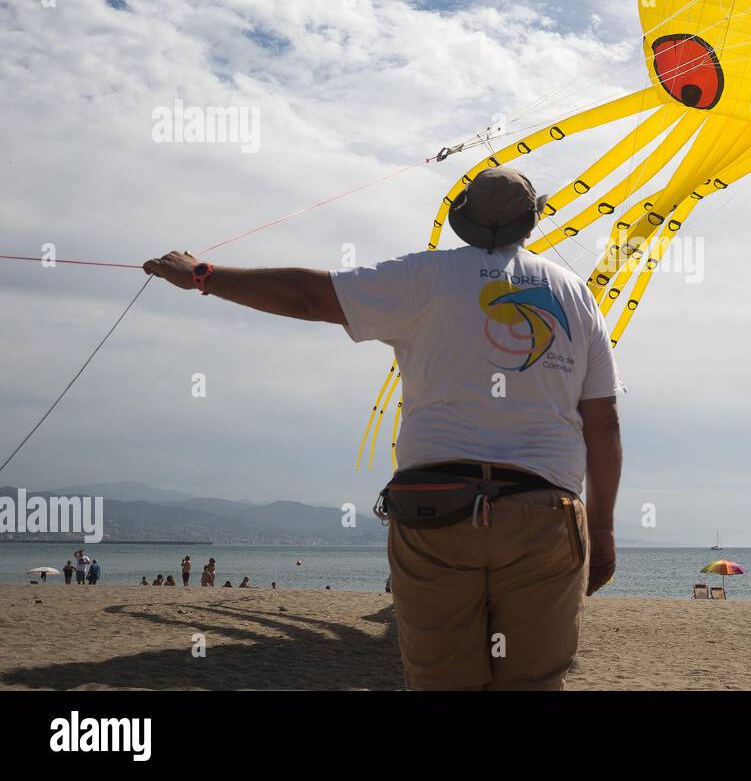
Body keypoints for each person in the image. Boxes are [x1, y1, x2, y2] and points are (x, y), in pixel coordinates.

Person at [143, 166, 625, 691]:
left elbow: (309, 296)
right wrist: (601, 529)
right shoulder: (576, 296)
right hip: (544, 514)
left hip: (437, 509)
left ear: (460, 219)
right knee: (533, 681)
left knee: (442, 680)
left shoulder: (422, 276)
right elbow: (602, 424)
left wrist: (202, 275)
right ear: (531, 223)